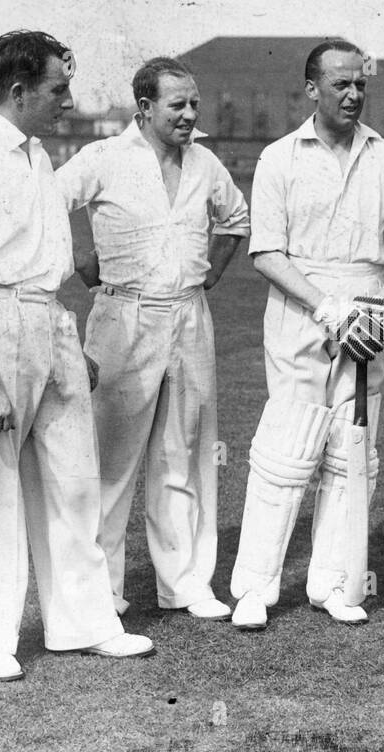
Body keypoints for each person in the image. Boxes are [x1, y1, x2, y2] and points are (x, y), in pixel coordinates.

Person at [0, 30, 154, 682]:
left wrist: (64, 339)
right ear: (20, 91)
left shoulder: (38, 160)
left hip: (49, 326)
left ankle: (82, 622)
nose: (69, 100)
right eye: (59, 89)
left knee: (75, 483)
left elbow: (45, 264)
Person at [228, 38, 384, 630]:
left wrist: (376, 307)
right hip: (301, 314)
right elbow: (266, 252)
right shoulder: (280, 158)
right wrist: (330, 310)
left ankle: (336, 584)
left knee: (352, 454)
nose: (353, 93)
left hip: (367, 320)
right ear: (312, 89)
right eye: (340, 83)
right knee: (287, 452)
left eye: (360, 83)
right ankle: (255, 588)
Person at [57, 57, 249, 621]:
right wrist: (83, 264)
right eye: (178, 105)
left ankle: (185, 584)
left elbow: (236, 219)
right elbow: (41, 206)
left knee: (184, 456)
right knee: (111, 463)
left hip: (191, 317)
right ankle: (104, 590)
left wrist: (209, 273)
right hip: (122, 318)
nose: (191, 115)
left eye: (194, 104)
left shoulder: (206, 163)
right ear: (144, 108)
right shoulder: (103, 159)